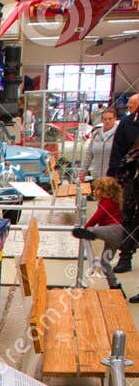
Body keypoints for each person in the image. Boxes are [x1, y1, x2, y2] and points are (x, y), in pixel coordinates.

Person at [72, 175, 125, 283]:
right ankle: (114, 285)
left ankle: (88, 233)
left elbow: (98, 216)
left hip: (112, 230)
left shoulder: (106, 201)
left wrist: (86, 228)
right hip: (117, 235)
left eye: (97, 189)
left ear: (104, 191)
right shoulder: (115, 201)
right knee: (105, 264)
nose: (94, 191)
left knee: (91, 230)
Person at [107, 92, 139, 271]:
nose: (129, 110)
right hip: (129, 177)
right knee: (126, 216)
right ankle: (125, 256)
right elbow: (117, 150)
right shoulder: (127, 123)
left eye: (132, 107)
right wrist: (113, 175)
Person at [77, 105, 118, 187]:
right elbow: (89, 154)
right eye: (105, 119)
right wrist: (83, 171)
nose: (107, 121)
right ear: (102, 120)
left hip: (112, 177)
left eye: (110, 119)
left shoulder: (119, 134)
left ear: (115, 119)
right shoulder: (96, 134)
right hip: (97, 176)